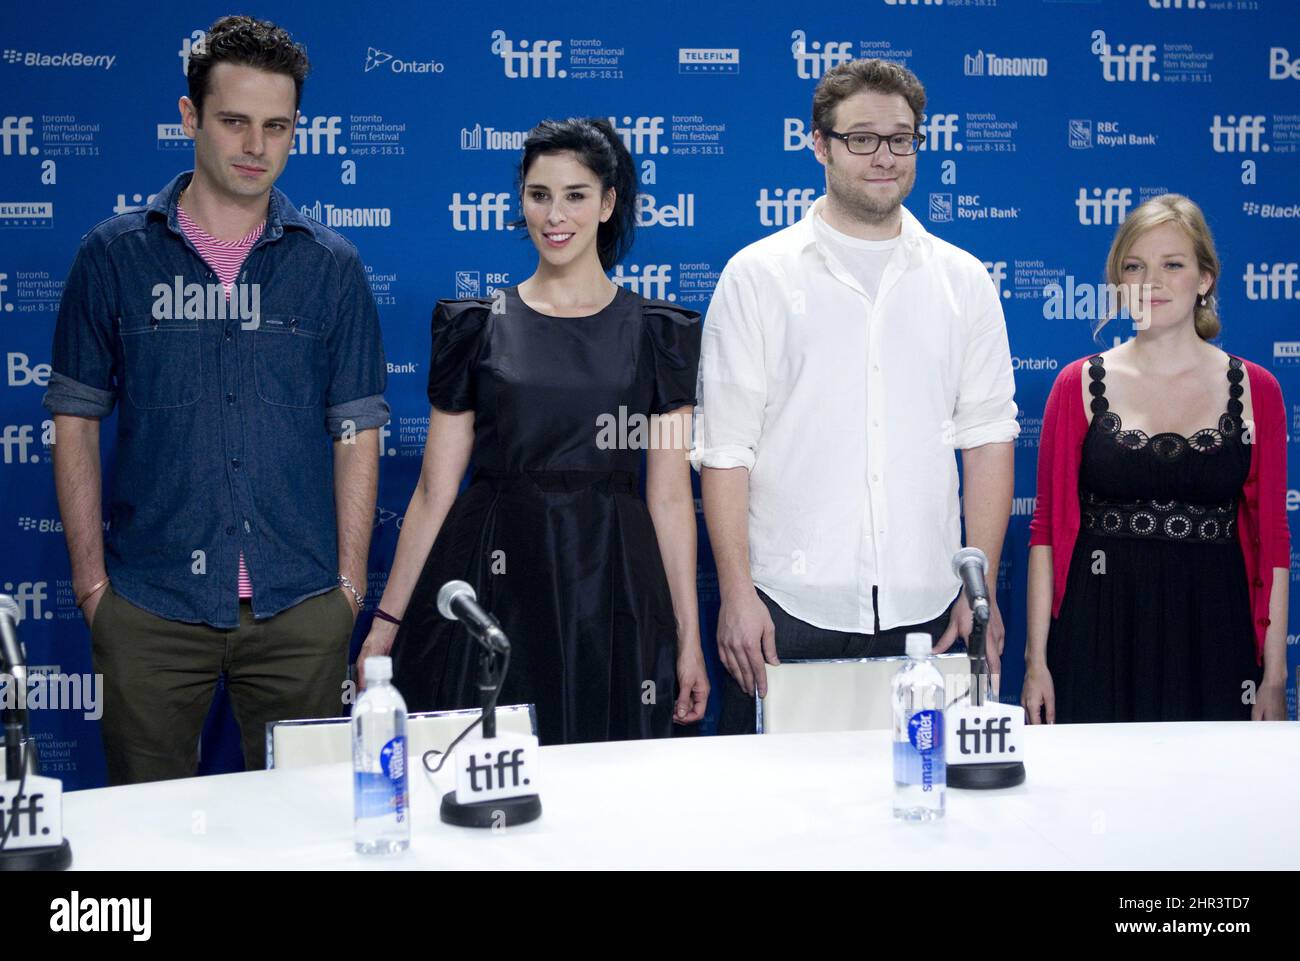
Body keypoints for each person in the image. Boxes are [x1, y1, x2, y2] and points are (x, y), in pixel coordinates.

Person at [43, 15, 389, 783]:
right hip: (151, 607)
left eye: (277, 126)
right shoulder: (114, 255)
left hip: (300, 606)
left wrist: (349, 589)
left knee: (307, 834)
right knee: (145, 834)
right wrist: (94, 588)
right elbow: (75, 422)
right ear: (190, 117)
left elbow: (356, 431)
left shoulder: (332, 267)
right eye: (234, 121)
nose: (256, 146)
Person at [693, 59, 1019, 735]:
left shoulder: (965, 282)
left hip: (930, 611)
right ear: (819, 143)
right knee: (778, 826)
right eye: (861, 138)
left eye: (901, 139)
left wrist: (976, 592)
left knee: (931, 817)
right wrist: (735, 593)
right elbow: (726, 449)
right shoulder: (757, 277)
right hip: (784, 611)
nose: (884, 156)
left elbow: (987, 440)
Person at [358, 118, 709, 744]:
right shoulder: (477, 327)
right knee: (487, 767)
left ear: (608, 203)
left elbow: (670, 496)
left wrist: (687, 641)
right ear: (520, 200)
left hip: (613, 585)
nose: (555, 214)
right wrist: (386, 623)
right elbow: (436, 492)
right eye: (539, 194)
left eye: (576, 194)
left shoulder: (658, 334)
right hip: (497, 578)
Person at [1023, 194, 1290, 724]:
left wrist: (1276, 676)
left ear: (1205, 279)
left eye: (1173, 265)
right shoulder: (1075, 385)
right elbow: (1047, 531)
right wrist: (1037, 663)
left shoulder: (1258, 389)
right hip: (1098, 628)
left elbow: (1273, 538)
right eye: (1135, 266)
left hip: (1215, 630)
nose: (1152, 281)